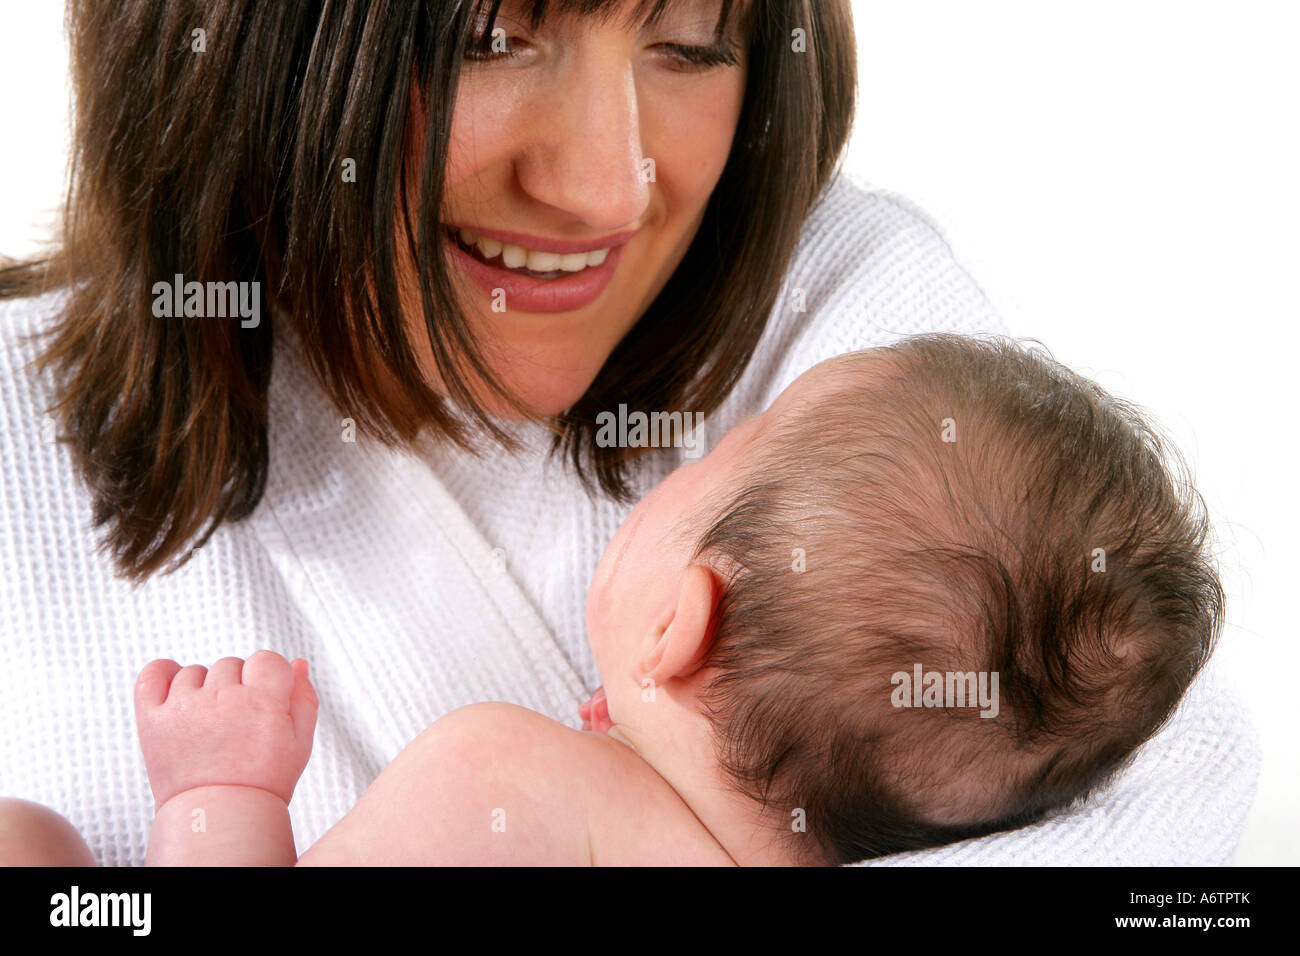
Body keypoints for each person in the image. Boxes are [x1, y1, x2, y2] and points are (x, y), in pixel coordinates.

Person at [0, 1, 1257, 866]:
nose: (608, 187)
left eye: (692, 42)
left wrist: (217, 796)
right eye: (492, 34)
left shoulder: (839, 310)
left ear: (679, 617)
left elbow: (1154, 789)